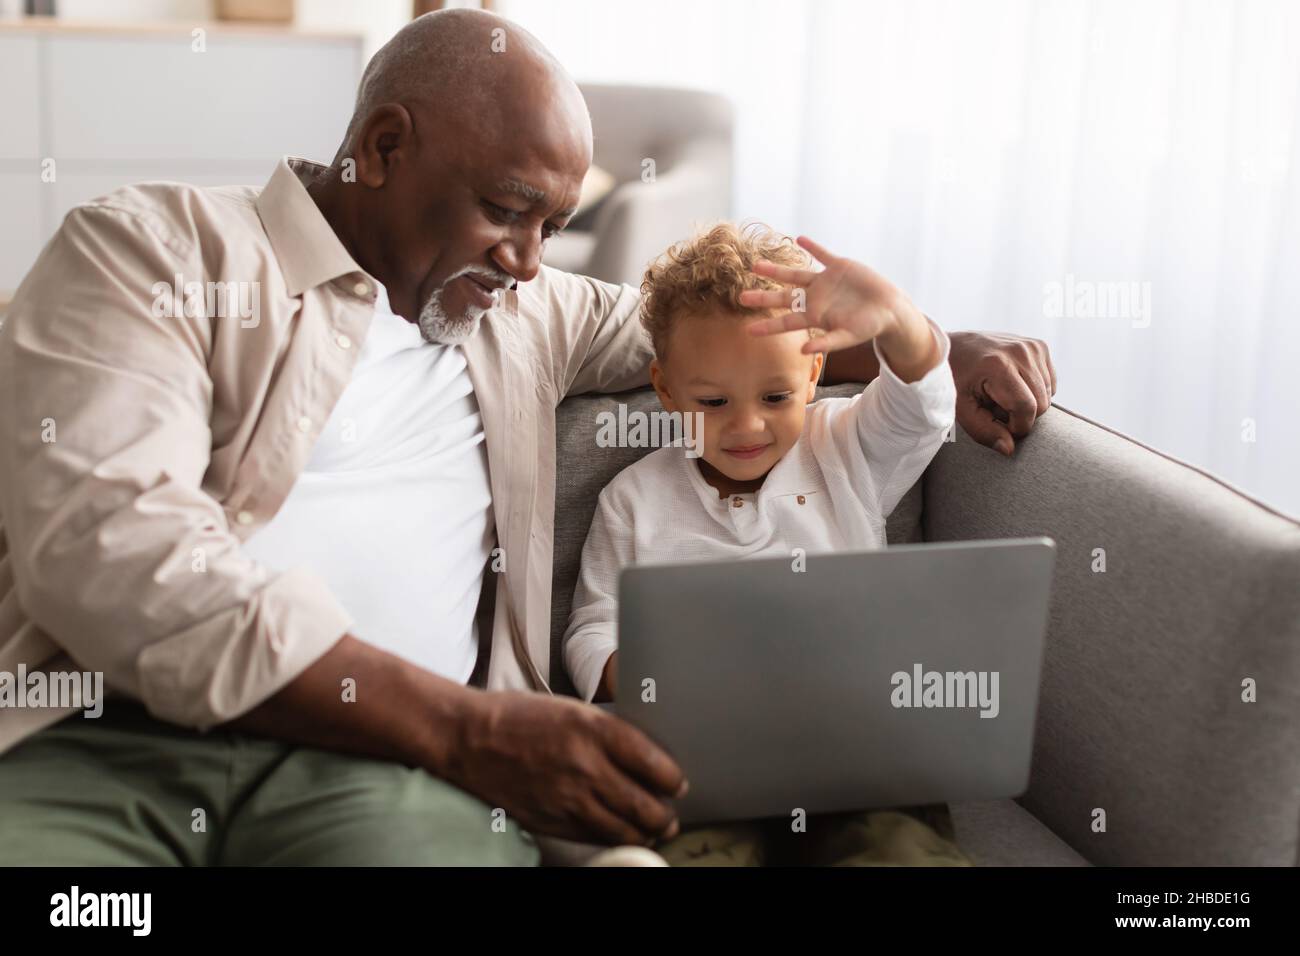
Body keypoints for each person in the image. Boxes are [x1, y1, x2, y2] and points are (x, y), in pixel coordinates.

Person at [0, 9, 1055, 865]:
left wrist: (945, 343)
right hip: (109, 742)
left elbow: (722, 339)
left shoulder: (524, 311)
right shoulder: (152, 254)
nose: (528, 261)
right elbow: (110, 546)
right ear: (382, 148)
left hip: (388, 782)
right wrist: (467, 729)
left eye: (552, 225)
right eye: (508, 211)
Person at [563, 222, 971, 865]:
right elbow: (592, 629)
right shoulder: (633, 498)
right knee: (682, 847)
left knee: (898, 848)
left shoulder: (843, 449)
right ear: (666, 389)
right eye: (714, 400)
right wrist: (652, 678)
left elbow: (925, 408)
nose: (746, 424)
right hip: (703, 760)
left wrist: (895, 318)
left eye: (776, 396)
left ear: (814, 373)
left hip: (854, 750)